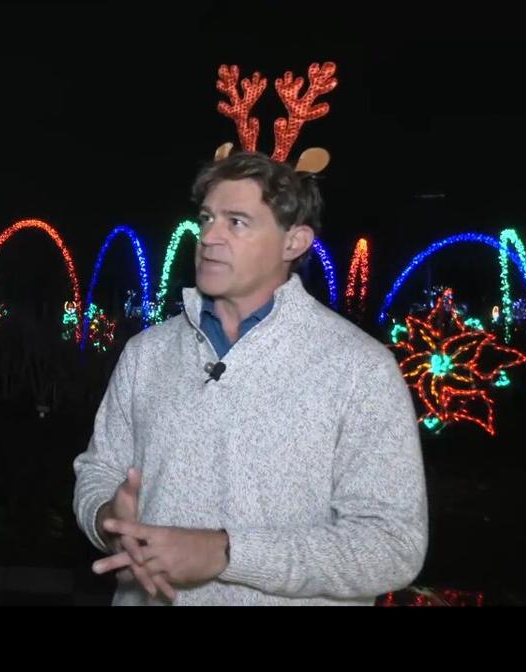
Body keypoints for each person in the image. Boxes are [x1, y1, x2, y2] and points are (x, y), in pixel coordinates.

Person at [72, 151, 427, 605]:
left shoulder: (359, 369)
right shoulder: (147, 354)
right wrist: (106, 519)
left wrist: (227, 553)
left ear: (293, 242)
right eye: (207, 218)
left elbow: (391, 547)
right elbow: (98, 471)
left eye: (236, 222)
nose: (209, 237)